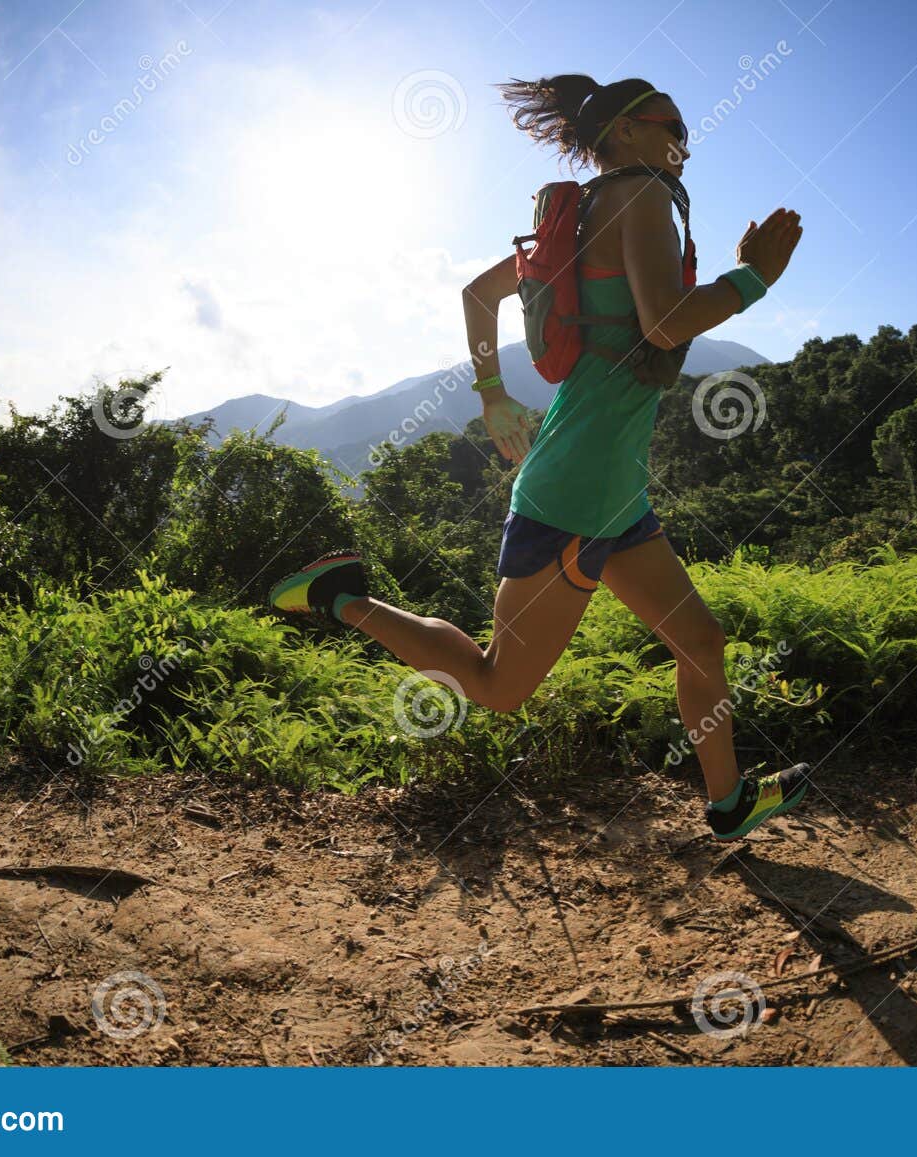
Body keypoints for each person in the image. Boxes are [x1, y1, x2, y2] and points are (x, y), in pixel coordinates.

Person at [270, 74, 806, 840]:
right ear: (621, 133)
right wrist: (753, 277)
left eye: (687, 135)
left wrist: (493, 393)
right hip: (575, 498)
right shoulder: (643, 195)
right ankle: (339, 597)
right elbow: (664, 326)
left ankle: (728, 802)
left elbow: (476, 295)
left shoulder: (585, 213)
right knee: (497, 684)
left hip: (609, 491)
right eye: (668, 127)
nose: (680, 147)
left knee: (701, 643)